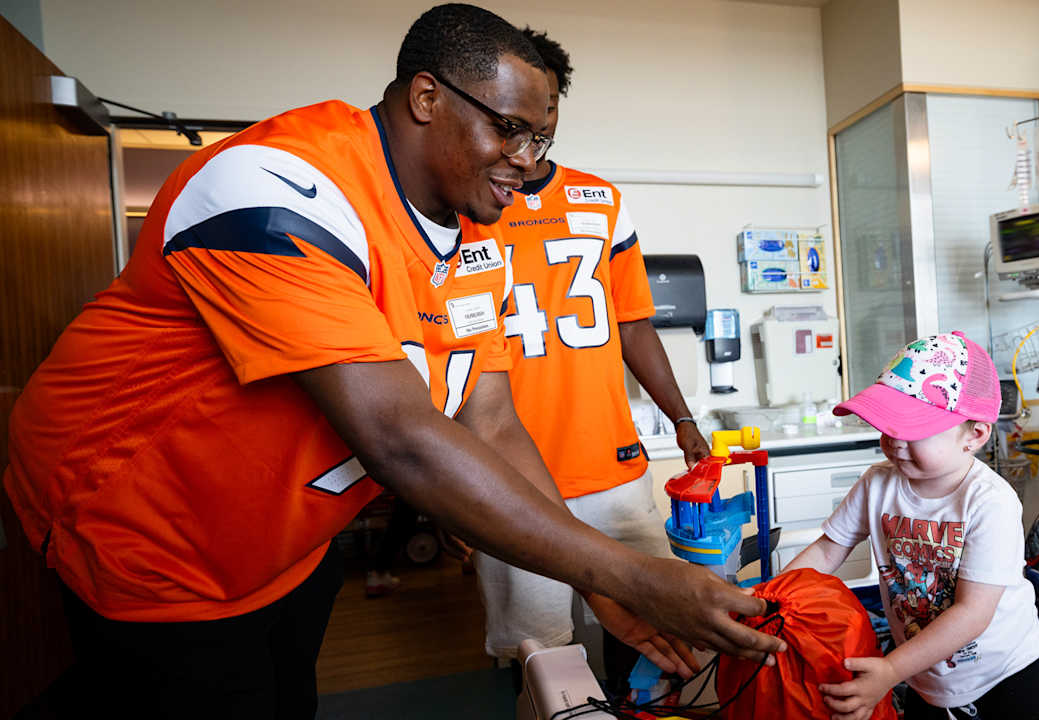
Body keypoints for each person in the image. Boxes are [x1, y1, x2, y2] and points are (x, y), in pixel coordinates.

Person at [3, 5, 782, 718]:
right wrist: (632, 573)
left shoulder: (475, 234)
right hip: (149, 532)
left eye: (541, 139)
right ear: (426, 97)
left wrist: (591, 576)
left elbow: (491, 419)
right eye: (510, 129)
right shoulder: (276, 186)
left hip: (289, 540)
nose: (527, 160)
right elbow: (399, 434)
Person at [467, 28, 711, 691]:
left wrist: (682, 417)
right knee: (544, 652)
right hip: (510, 476)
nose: (535, 115)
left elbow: (633, 323)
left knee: (656, 621)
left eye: (547, 99)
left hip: (613, 468)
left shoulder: (601, 199)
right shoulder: (468, 201)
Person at [782, 331, 1039, 720]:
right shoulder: (877, 484)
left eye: (911, 429)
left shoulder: (989, 502)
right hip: (924, 677)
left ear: (974, 434)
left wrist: (891, 670)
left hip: (1007, 678)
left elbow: (973, 612)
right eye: (886, 425)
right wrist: (772, 601)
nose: (894, 441)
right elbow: (827, 550)